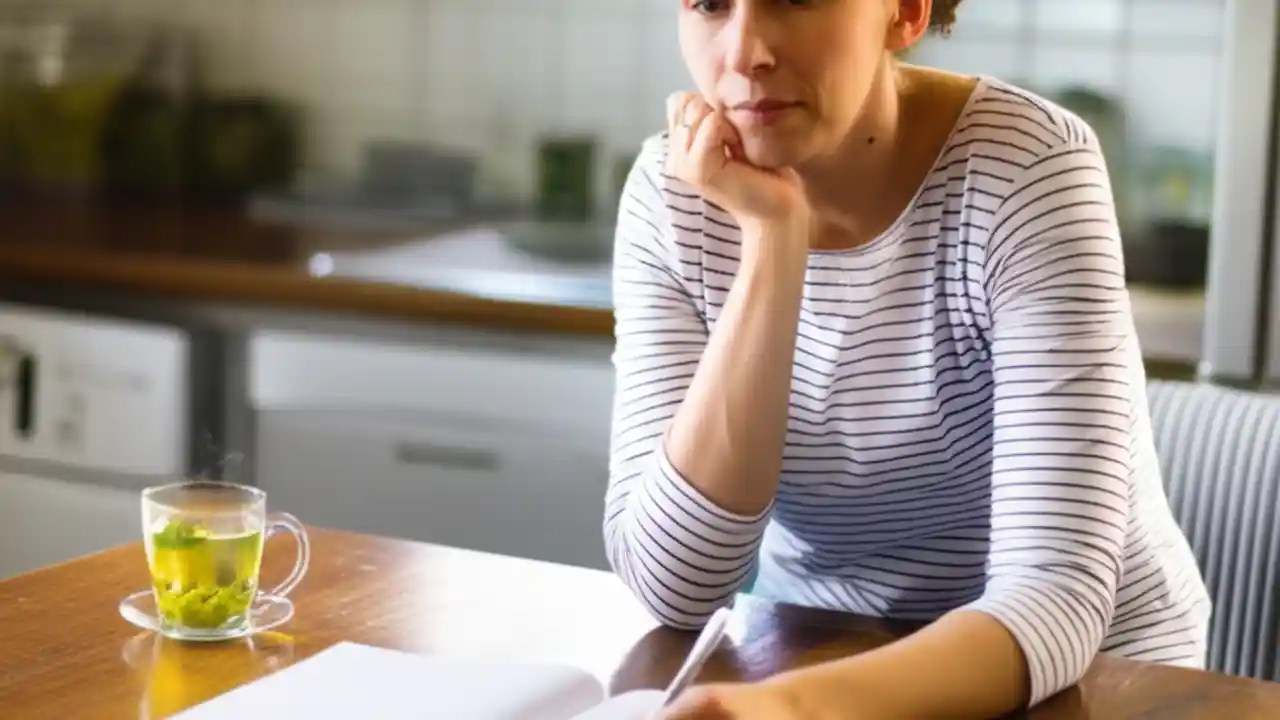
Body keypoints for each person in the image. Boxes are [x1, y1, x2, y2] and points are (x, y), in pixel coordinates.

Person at [602, 0, 1212, 718]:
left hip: (1088, 682)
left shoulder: (1028, 168)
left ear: (906, 13)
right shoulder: (673, 196)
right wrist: (772, 240)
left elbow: (1054, 595)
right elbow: (674, 584)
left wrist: (795, 709)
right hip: (824, 649)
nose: (744, 53)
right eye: (708, 3)